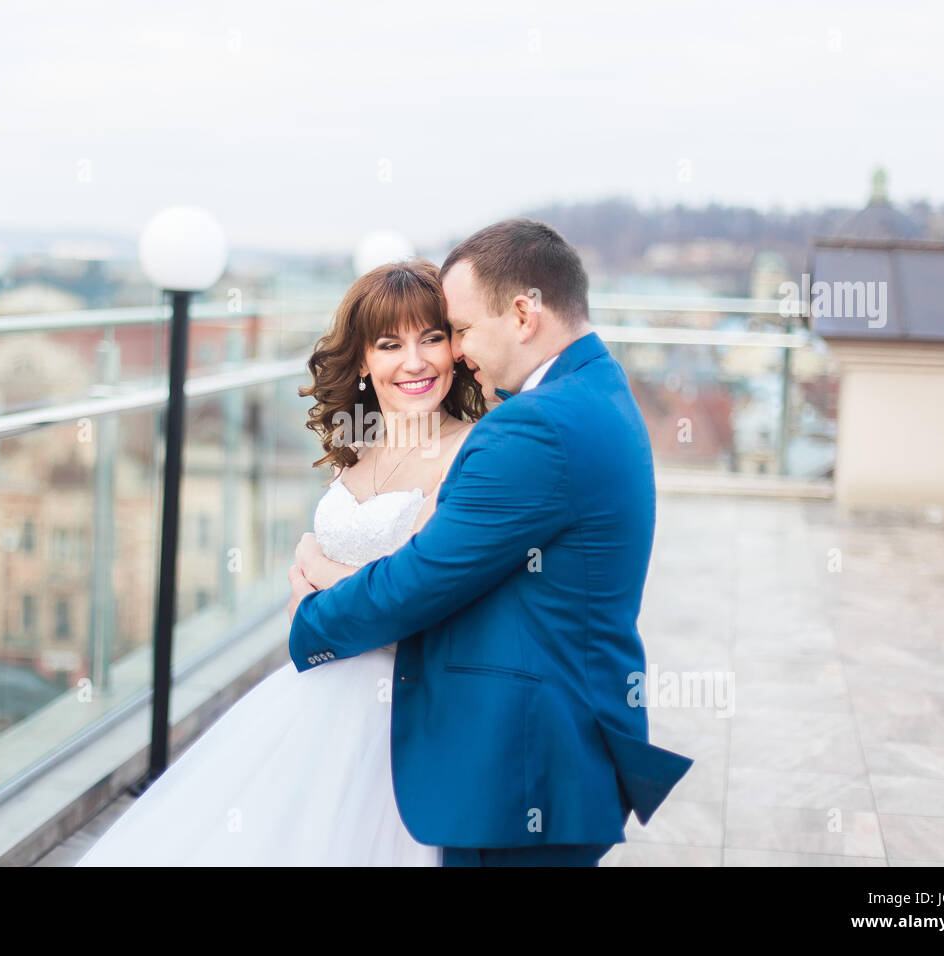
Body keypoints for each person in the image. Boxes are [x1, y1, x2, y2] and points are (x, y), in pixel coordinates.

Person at [288, 218, 694, 867]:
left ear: (525, 313)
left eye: (458, 330)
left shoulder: (532, 427)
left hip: (522, 758)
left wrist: (311, 612)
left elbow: (418, 582)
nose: (456, 351)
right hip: (527, 738)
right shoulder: (595, 388)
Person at [76, 258, 484, 865]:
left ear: (457, 347)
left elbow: (418, 599)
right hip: (316, 685)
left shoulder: (471, 450)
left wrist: (317, 574)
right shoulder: (362, 442)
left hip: (399, 704)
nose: (416, 361)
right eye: (390, 343)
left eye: (432, 337)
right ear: (365, 361)